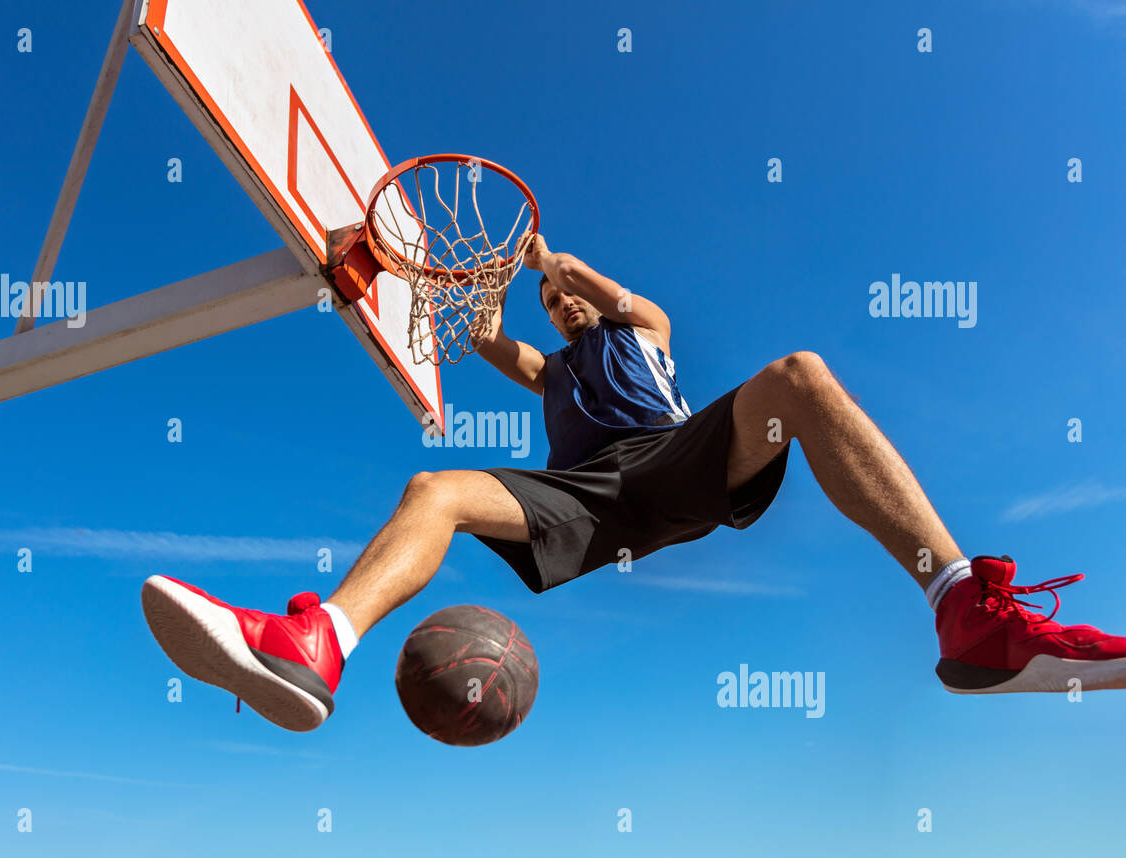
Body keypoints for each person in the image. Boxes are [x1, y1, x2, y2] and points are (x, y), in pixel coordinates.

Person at [140, 235, 1126, 732]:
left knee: (799, 379)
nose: (560, 305)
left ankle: (966, 610)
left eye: (568, 297)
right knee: (433, 489)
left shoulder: (637, 325)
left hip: (676, 453)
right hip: (588, 497)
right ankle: (320, 643)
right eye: (552, 301)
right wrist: (442, 274)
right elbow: (486, 341)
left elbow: (601, 287)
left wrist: (545, 256)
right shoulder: (551, 370)